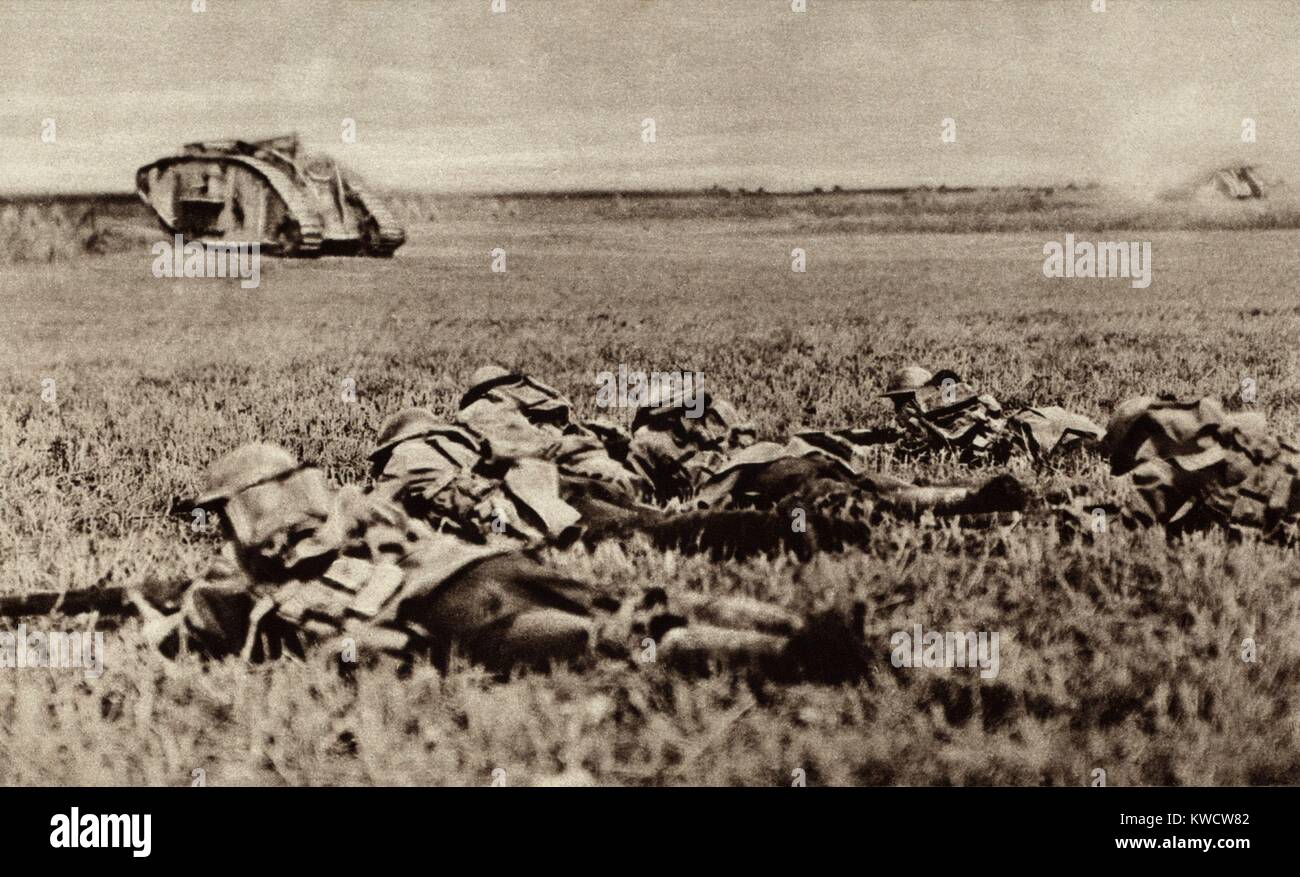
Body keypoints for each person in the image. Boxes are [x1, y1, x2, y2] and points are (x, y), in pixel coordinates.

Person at [133, 443, 869, 682]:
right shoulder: (356, 507)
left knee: (623, 638)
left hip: (454, 608)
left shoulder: (245, 581)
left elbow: (188, 638)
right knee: (652, 599)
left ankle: (795, 655)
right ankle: (803, 626)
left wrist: (160, 621)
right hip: (491, 560)